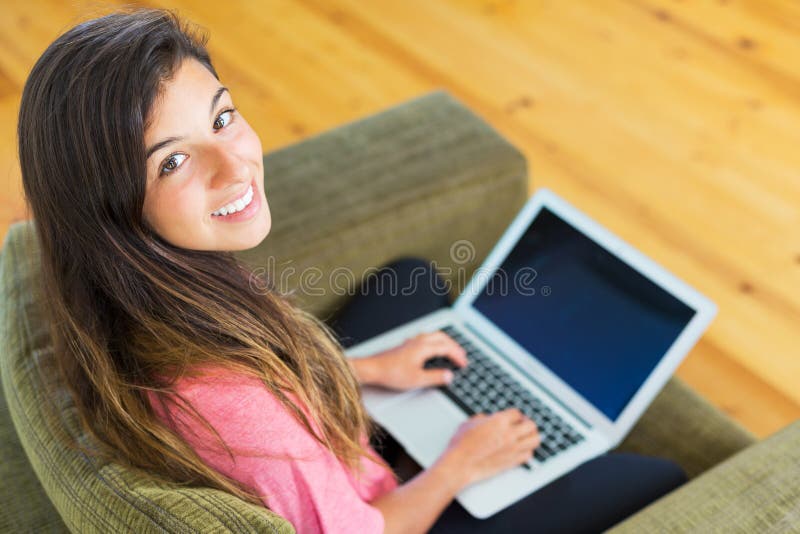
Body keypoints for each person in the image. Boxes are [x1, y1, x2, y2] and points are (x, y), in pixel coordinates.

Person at [17, 8, 686, 533]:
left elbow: (271, 384)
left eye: (221, 117)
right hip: (382, 512)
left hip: (323, 440)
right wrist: (459, 464)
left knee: (413, 277)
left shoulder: (145, 292)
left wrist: (363, 370)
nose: (234, 165)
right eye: (172, 160)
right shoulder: (233, 405)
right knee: (654, 477)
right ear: (108, 206)